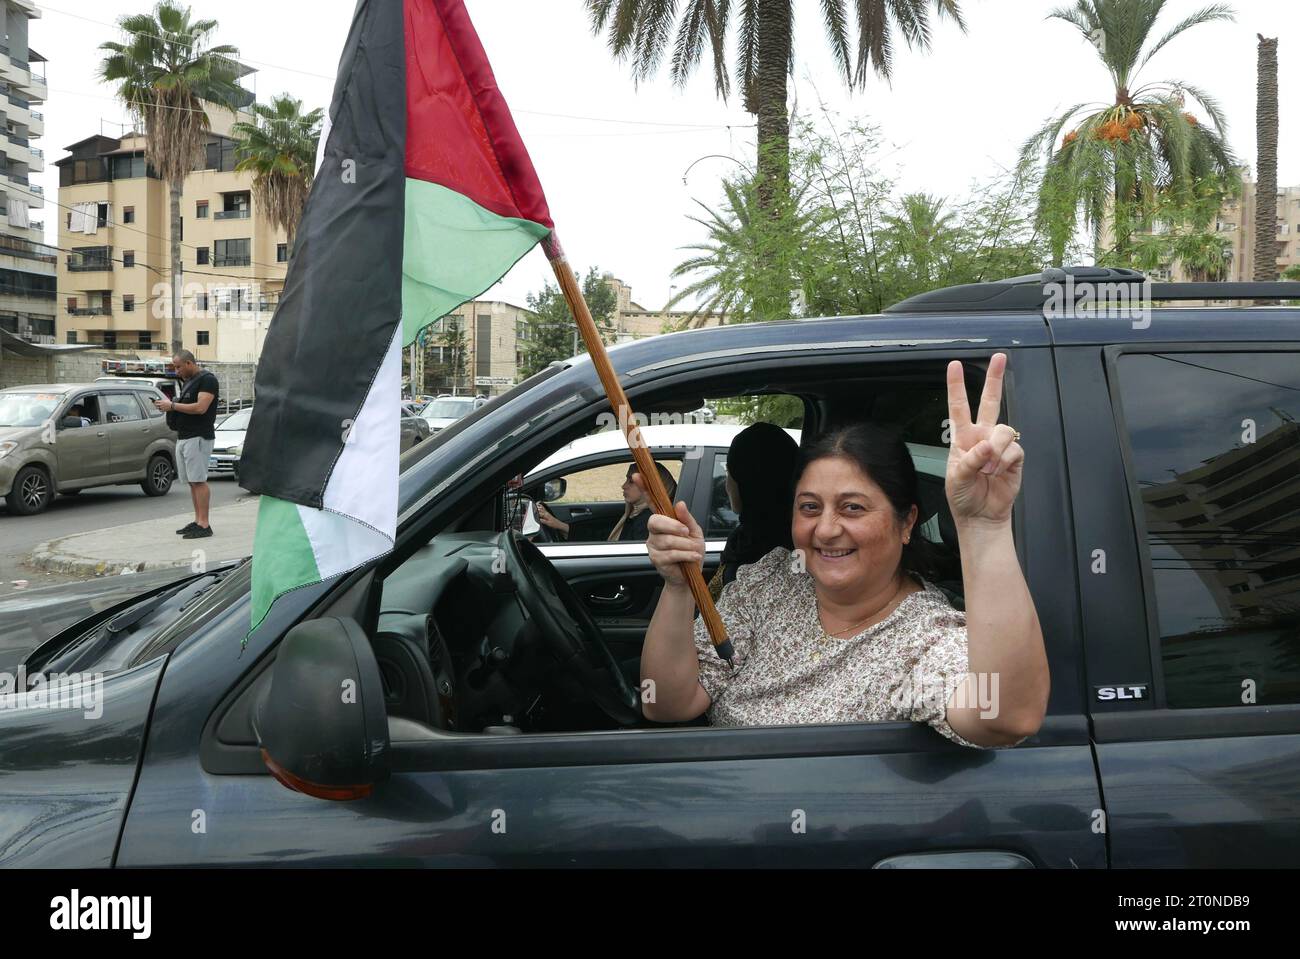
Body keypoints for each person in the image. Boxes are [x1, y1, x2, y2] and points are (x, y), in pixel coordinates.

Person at [637, 354, 1049, 749]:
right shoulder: (769, 583)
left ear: (906, 522)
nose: (827, 529)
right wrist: (678, 587)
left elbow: (1006, 718)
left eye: (853, 507)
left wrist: (983, 525)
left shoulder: (924, 638)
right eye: (810, 507)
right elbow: (666, 704)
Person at [705, 422, 799, 602]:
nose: (726, 486)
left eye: (730, 474)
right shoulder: (798, 541)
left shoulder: (751, 555)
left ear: (747, 484)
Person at [154, 350, 220, 539]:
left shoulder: (207, 380)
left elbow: (201, 408)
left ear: (189, 363)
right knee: (192, 481)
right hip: (184, 436)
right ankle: (198, 521)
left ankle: (205, 524)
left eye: (178, 367)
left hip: (198, 437)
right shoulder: (188, 382)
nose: (176, 371)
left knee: (199, 480)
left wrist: (172, 406)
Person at [536, 461, 677, 542]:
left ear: (652, 487)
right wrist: (559, 525)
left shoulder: (649, 523)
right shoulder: (637, 516)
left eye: (631, 481)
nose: (623, 485)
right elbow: (605, 537)